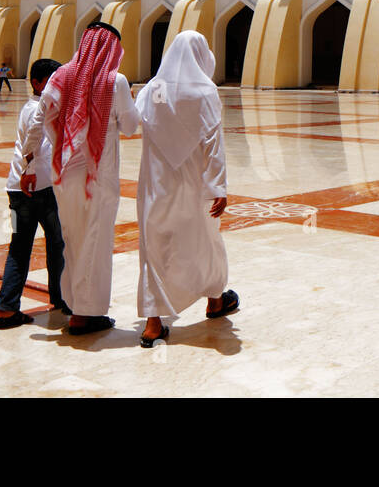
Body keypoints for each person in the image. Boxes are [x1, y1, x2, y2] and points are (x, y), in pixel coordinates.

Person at [19, 22, 138, 335]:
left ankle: (75, 306)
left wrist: (28, 165)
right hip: (99, 178)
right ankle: (87, 314)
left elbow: (36, 121)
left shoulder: (61, 76)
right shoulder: (116, 81)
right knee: (95, 243)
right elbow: (130, 126)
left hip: (64, 176)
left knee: (73, 240)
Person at [135, 31, 238, 347]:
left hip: (155, 184)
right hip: (194, 184)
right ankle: (215, 300)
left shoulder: (154, 89)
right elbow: (213, 141)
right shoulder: (205, 91)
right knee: (205, 240)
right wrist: (218, 186)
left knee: (154, 246)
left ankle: (154, 324)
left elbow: (135, 120)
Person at [0, 58, 67, 329]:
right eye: (52, 80)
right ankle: (62, 297)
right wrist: (32, 170)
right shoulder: (37, 110)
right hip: (39, 189)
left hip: (16, 189)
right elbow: (35, 147)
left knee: (19, 248)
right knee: (58, 242)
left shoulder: (32, 107)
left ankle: (7, 307)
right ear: (36, 83)